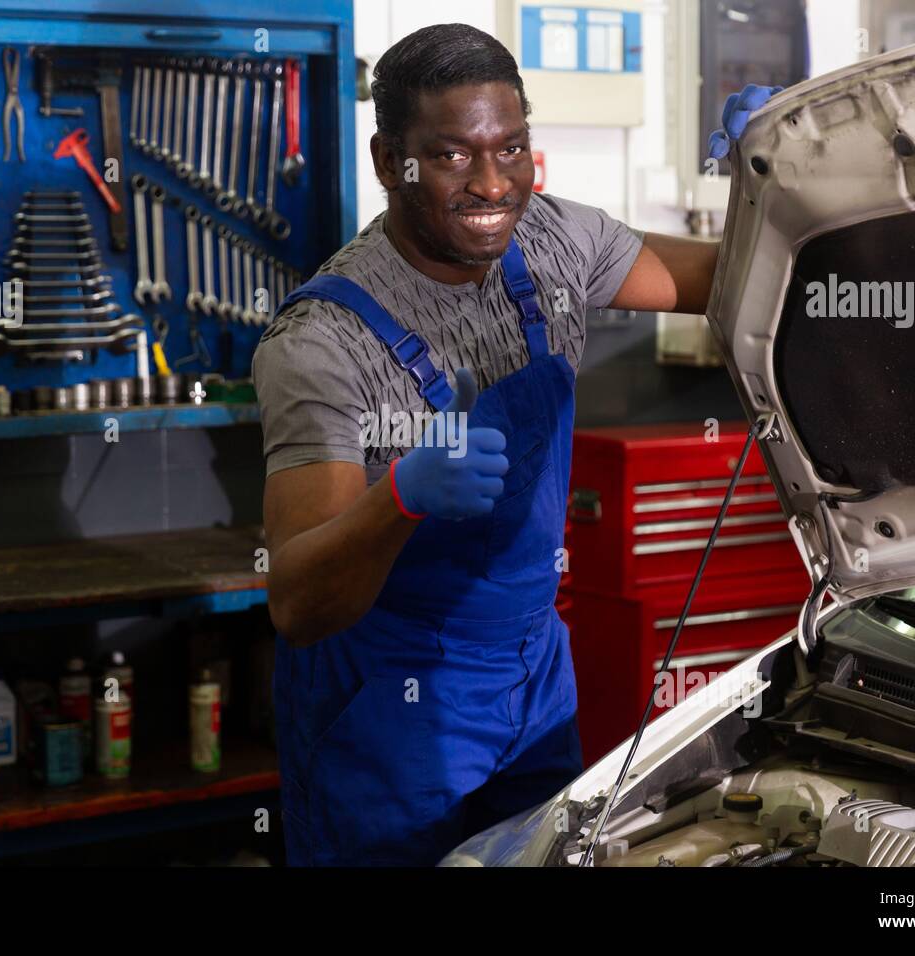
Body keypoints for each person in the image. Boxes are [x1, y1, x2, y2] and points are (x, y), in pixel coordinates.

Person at [251, 21, 781, 866]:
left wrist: (778, 173)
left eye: (513, 148)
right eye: (454, 155)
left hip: (534, 677)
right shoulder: (320, 342)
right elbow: (301, 605)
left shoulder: (556, 244)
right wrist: (402, 498)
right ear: (392, 163)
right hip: (391, 708)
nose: (493, 183)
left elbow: (735, 282)